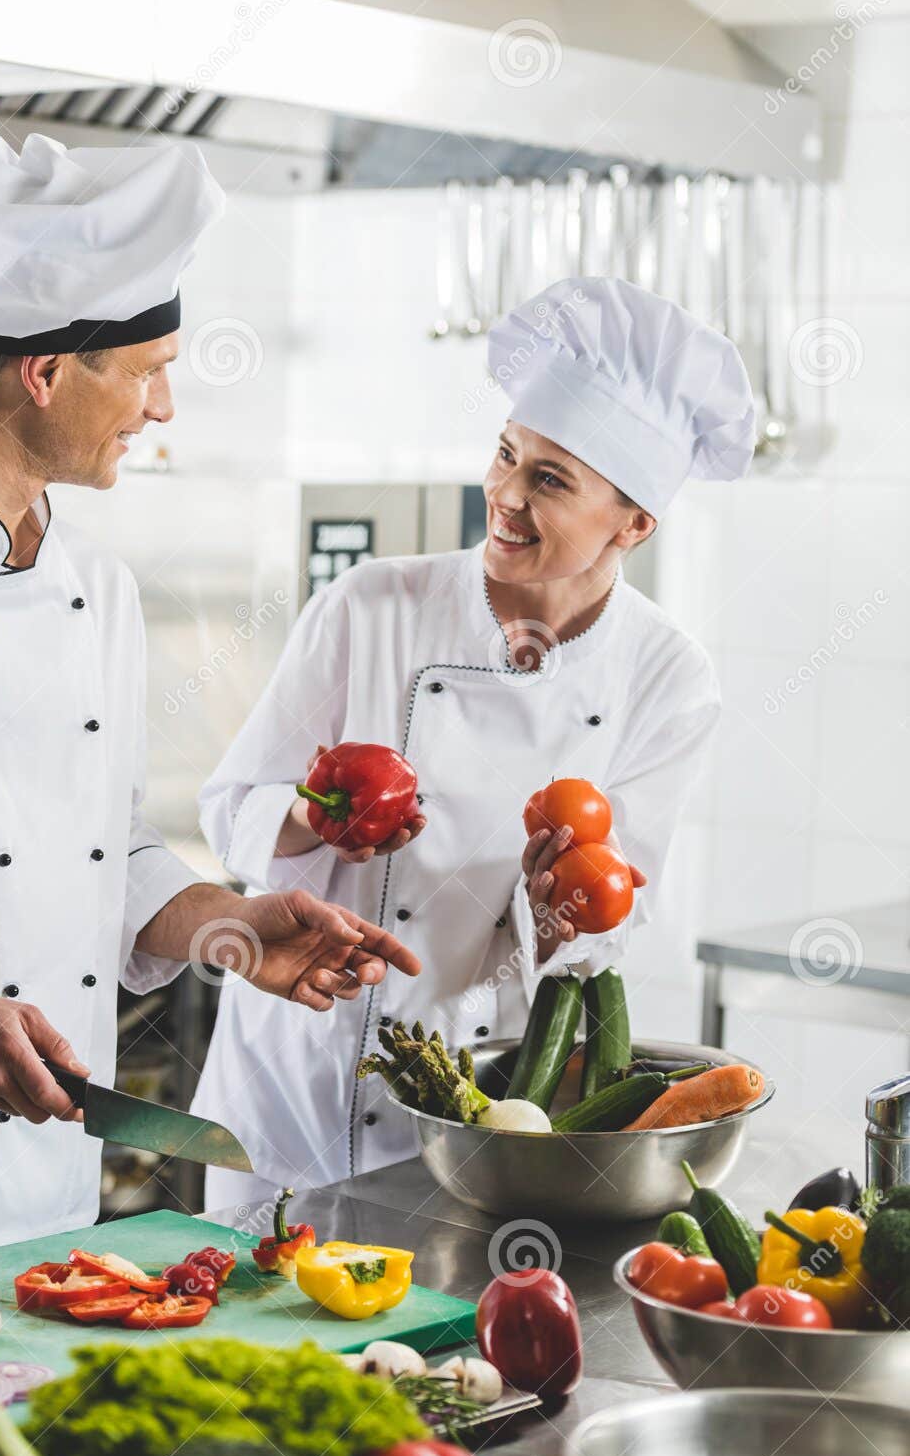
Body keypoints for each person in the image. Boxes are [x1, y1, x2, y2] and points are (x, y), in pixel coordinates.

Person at [0, 133, 419, 1273]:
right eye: (147, 368)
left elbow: (105, 853)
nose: (161, 407)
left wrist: (229, 923)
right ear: (45, 373)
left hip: (47, 1220)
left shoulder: (94, 589)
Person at [193, 276, 756, 1213]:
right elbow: (229, 808)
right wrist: (313, 818)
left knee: (432, 1355)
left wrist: (552, 915)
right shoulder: (371, 605)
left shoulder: (667, 674)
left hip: (474, 1107)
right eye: (505, 456)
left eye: (549, 480)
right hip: (295, 1077)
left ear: (635, 523)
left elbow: (613, 915)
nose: (503, 494)